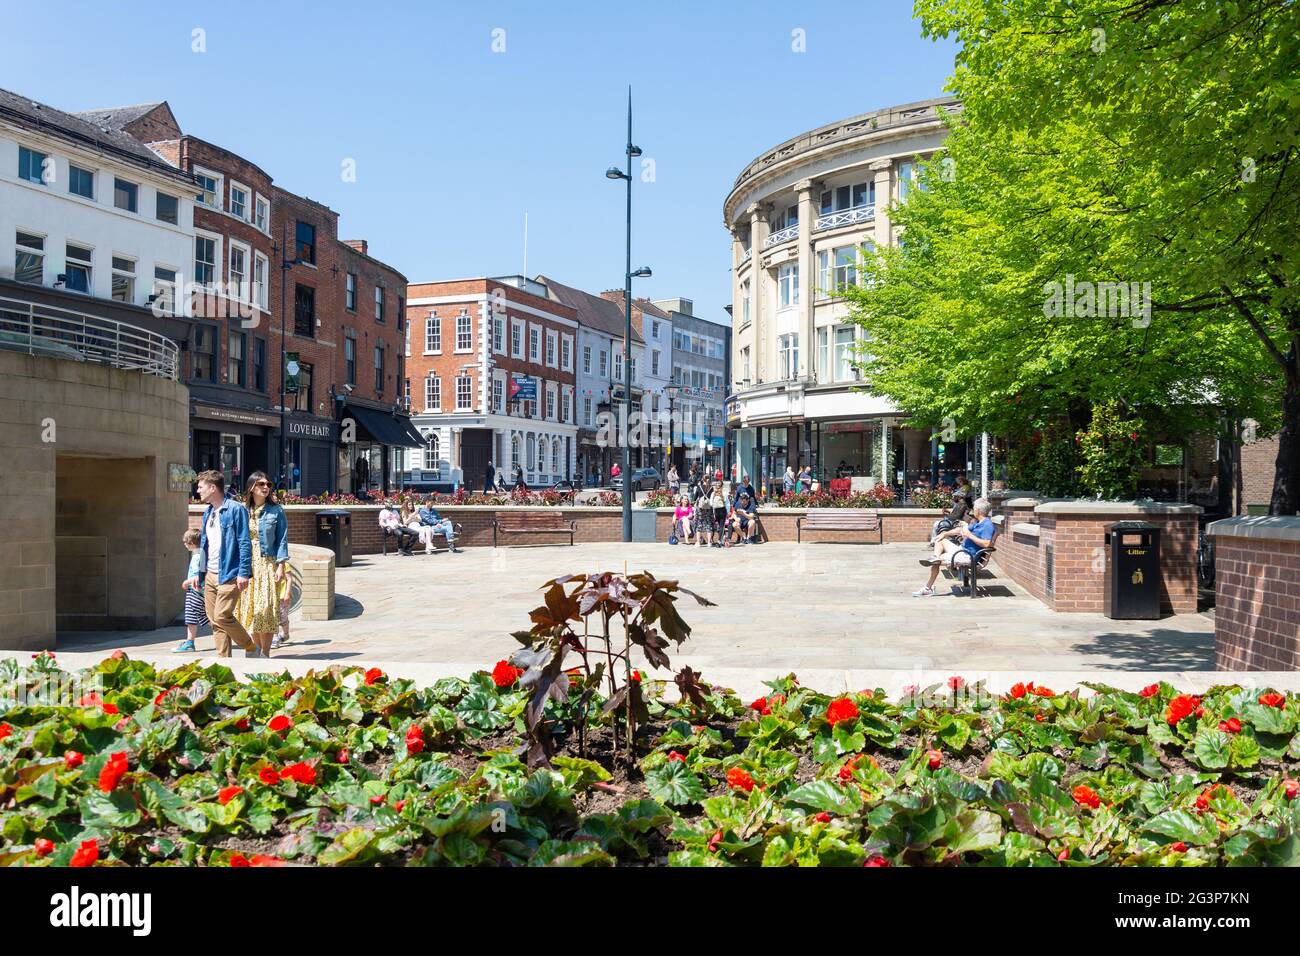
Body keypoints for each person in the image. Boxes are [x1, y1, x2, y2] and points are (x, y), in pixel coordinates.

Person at [188, 469, 255, 658]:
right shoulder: (208, 512)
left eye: (200, 487)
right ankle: (224, 661)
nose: (198, 491)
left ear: (212, 488)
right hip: (209, 574)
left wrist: (243, 572)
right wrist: (198, 573)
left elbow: (244, 542)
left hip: (230, 573)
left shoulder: (235, 509)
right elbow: (204, 546)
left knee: (221, 616)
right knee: (214, 622)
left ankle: (250, 647)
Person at [237, 471, 290, 658]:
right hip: (247, 565)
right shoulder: (242, 510)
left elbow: (282, 539)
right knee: (250, 610)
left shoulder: (276, 511)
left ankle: (265, 653)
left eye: (268, 484)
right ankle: (256, 650)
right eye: (261, 484)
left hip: (267, 563)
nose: (266, 487)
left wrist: (281, 565)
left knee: (266, 608)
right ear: (252, 487)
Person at [914, 498, 997, 597]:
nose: (972, 510)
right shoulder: (978, 522)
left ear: (978, 510)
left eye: (974, 508)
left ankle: (928, 588)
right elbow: (960, 530)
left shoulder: (987, 525)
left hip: (968, 555)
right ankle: (935, 557)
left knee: (936, 562)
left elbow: (987, 544)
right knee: (940, 540)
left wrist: (969, 535)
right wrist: (945, 534)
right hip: (962, 550)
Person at [174, 528, 209, 652]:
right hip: (200, 592)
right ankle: (190, 641)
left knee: (190, 618)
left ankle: (190, 643)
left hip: (194, 591)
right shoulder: (201, 554)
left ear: (191, 542)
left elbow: (198, 575)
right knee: (205, 617)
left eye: (185, 542)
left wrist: (186, 582)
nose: (184, 544)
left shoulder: (197, 555)